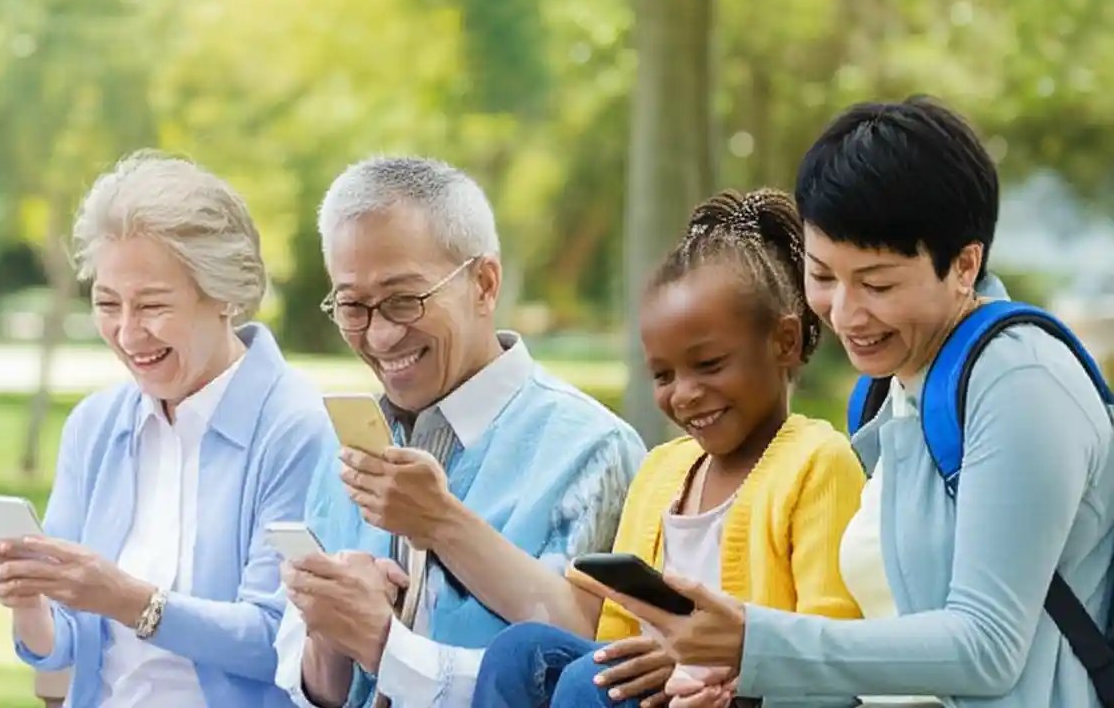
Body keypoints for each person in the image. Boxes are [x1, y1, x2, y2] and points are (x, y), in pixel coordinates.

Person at [597, 97, 1114, 708]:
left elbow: (986, 647)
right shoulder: (891, 391)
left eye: (877, 284)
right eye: (822, 276)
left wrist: (754, 642)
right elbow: (882, 639)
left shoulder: (1020, 382)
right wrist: (744, 679)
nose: (844, 314)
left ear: (965, 264)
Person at [272, 156, 647, 707]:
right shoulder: (345, 445)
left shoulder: (593, 450)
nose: (379, 336)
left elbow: (581, 671)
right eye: (353, 306)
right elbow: (316, 690)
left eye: (404, 300)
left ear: (484, 284)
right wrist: (330, 629)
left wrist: (438, 530)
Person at [471, 189, 866, 708]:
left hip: (748, 698)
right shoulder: (662, 471)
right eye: (663, 374)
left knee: (589, 684)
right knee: (521, 651)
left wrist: (714, 677)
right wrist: (655, 668)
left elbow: (832, 659)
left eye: (709, 365)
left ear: (784, 342)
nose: (683, 393)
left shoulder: (818, 463)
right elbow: (615, 635)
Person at [0, 151, 340, 707]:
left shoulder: (295, 428)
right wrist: (30, 601)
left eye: (152, 305)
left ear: (223, 295)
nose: (127, 333)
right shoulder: (96, 426)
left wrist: (129, 599)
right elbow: (61, 648)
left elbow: (281, 641)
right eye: (107, 303)